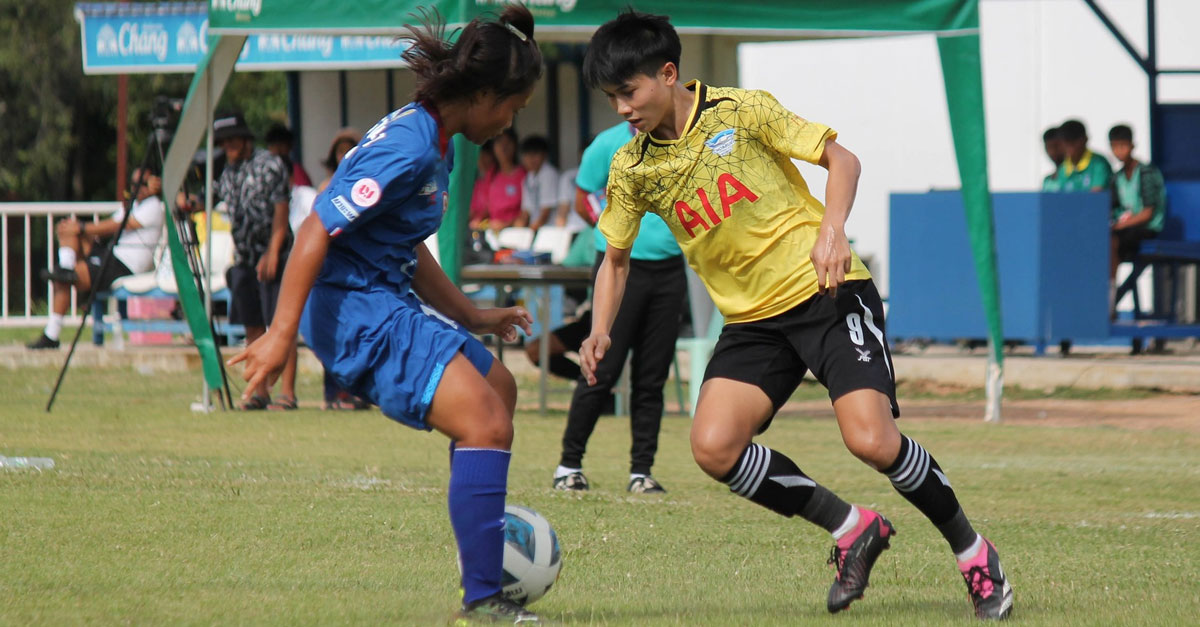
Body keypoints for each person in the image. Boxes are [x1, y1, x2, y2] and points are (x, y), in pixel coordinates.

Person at [578, 10, 1013, 620]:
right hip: (753, 324)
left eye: (629, 91)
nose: (622, 108)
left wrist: (832, 231)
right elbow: (614, 260)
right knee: (714, 447)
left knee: (872, 441)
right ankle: (851, 528)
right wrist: (600, 329)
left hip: (827, 292)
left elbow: (844, 161)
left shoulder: (741, 111)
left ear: (668, 73)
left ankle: (974, 554)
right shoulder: (632, 168)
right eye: (612, 97)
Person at [228, 6, 543, 623]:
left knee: (496, 390)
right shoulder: (408, 146)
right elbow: (315, 228)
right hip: (354, 310)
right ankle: (484, 597)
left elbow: (403, 239)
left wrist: (470, 314)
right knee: (485, 424)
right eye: (512, 107)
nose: (510, 123)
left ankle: (480, 560)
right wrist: (279, 338)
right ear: (482, 94)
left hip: (382, 296)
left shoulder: (437, 140)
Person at [547, 120, 687, 494]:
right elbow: (582, 198)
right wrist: (612, 228)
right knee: (601, 368)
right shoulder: (606, 145)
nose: (631, 108)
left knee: (652, 376)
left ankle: (641, 471)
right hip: (620, 266)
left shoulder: (680, 140)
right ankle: (569, 465)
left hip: (670, 270)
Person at [210, 112, 299, 411]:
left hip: (274, 252)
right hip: (245, 258)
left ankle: (287, 392)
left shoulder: (270, 164)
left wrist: (273, 251)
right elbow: (208, 199)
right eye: (223, 142)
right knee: (252, 326)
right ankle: (259, 390)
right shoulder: (225, 171)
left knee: (280, 324)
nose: (228, 146)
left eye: (232, 139)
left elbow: (281, 210)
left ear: (245, 138)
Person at [28, 167, 165, 349]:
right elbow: (106, 226)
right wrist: (79, 229)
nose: (137, 187)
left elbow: (118, 225)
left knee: (65, 274)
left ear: (154, 184)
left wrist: (83, 228)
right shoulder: (135, 205)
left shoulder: (154, 206)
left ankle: (52, 334)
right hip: (111, 257)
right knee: (67, 229)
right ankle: (65, 268)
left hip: (124, 265)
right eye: (134, 183)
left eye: (142, 183)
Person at [1108, 124, 1166, 281]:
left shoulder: (1146, 172)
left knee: (1113, 241)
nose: (1119, 151)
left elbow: (1148, 213)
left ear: (1132, 145)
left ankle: (1111, 292)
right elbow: (1113, 208)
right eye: (1115, 146)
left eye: (1123, 145)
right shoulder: (1116, 177)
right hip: (1126, 229)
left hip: (1147, 229)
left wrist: (1121, 225)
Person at [485, 128, 526, 230]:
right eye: (499, 142)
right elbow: (487, 206)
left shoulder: (523, 175)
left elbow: (527, 210)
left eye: (508, 143)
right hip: (492, 230)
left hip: (515, 231)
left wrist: (506, 224)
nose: (504, 147)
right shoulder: (492, 173)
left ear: (515, 146)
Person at [1056, 119, 1112, 192]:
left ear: (1085, 139)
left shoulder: (1098, 164)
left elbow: (1096, 197)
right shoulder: (1063, 169)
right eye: (1065, 142)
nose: (1069, 147)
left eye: (1072, 142)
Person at [519, 135, 559, 231]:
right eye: (527, 155)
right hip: (536, 228)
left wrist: (529, 231)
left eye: (535, 154)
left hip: (551, 230)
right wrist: (517, 229)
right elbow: (526, 211)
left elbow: (546, 212)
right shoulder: (528, 177)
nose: (531, 159)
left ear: (545, 155)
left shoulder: (549, 174)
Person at [265, 124, 313, 188]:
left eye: (281, 145)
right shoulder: (264, 171)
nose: (278, 150)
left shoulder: (297, 172)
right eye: (274, 145)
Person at [317, 128, 362, 193]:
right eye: (341, 151)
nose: (345, 155)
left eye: (349, 150)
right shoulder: (326, 186)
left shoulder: (366, 183)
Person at [469, 139, 498, 230]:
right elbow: (472, 210)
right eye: (480, 156)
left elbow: (491, 206)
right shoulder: (478, 182)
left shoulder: (497, 177)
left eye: (486, 155)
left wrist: (478, 219)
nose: (482, 159)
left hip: (494, 226)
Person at [1041, 125, 1065, 191]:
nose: (1052, 151)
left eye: (1056, 146)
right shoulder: (1047, 181)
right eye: (1048, 147)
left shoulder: (1076, 178)